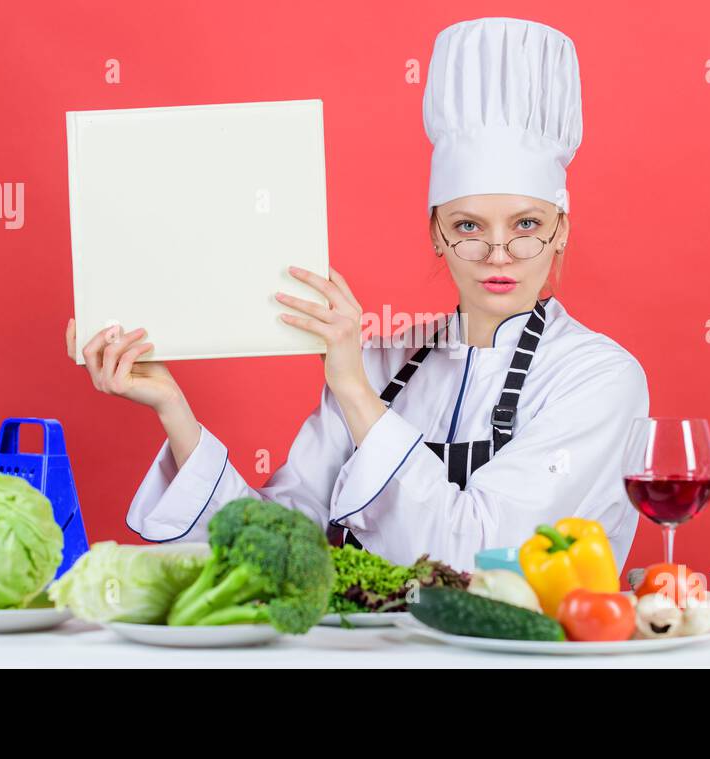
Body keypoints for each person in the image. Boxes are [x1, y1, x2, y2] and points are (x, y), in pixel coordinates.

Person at [65, 17, 649, 572]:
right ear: (437, 235)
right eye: (469, 227)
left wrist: (352, 387)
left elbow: (481, 559)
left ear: (561, 229)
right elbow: (280, 546)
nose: (498, 254)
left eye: (526, 225)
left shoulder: (596, 376)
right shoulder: (378, 362)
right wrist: (172, 406)